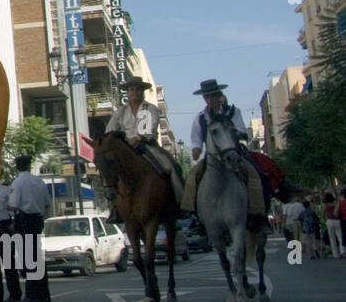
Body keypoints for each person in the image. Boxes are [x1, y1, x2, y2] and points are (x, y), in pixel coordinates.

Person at [179, 80, 265, 218]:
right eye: (207, 97)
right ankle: (194, 215)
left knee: (255, 173)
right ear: (204, 98)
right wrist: (196, 149)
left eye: (213, 95)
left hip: (234, 152)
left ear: (220, 95)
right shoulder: (200, 118)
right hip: (212, 156)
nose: (210, 99)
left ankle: (258, 213)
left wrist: (235, 133)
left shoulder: (232, 112)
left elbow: (242, 130)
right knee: (192, 177)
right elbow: (196, 140)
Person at [106, 76, 184, 203]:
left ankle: (180, 201)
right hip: (125, 148)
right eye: (131, 89)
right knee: (109, 170)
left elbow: (148, 129)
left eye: (138, 89)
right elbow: (110, 129)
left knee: (170, 166)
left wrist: (136, 138)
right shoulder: (121, 111)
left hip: (147, 146)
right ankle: (114, 205)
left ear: (142, 92)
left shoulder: (150, 108)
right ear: (127, 92)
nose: (134, 92)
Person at [6, 155, 51, 302]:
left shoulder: (18, 182)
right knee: (37, 257)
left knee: (28, 259)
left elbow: (13, 204)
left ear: (18, 166)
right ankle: (43, 294)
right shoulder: (39, 181)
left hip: (24, 220)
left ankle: (31, 295)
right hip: (37, 220)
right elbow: (47, 204)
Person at [0, 178, 22, 302]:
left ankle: (15, 294)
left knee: (8, 261)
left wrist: (13, 224)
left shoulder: (6, 188)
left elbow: (15, 208)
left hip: (3, 225)